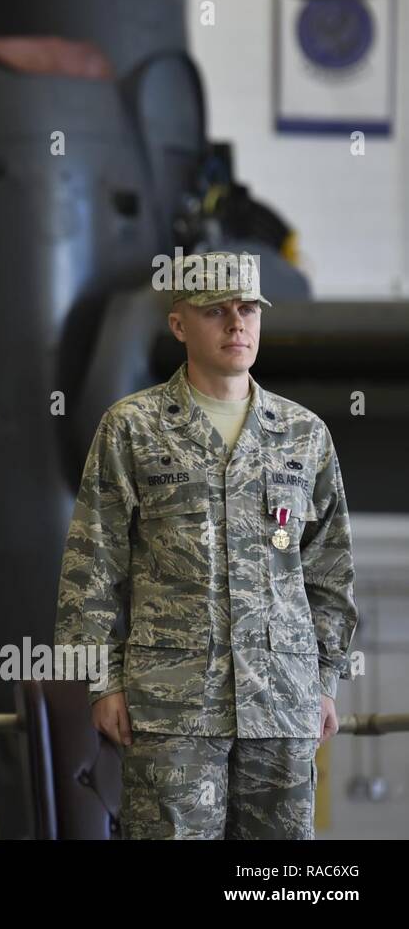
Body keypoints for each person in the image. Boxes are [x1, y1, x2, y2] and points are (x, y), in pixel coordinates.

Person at [55, 250, 358, 839]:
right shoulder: (133, 427)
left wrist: (323, 681)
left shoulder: (303, 434)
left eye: (247, 309)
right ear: (178, 325)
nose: (236, 324)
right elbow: (91, 563)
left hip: (282, 702)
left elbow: (329, 569)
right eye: (215, 311)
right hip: (171, 707)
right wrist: (103, 682)